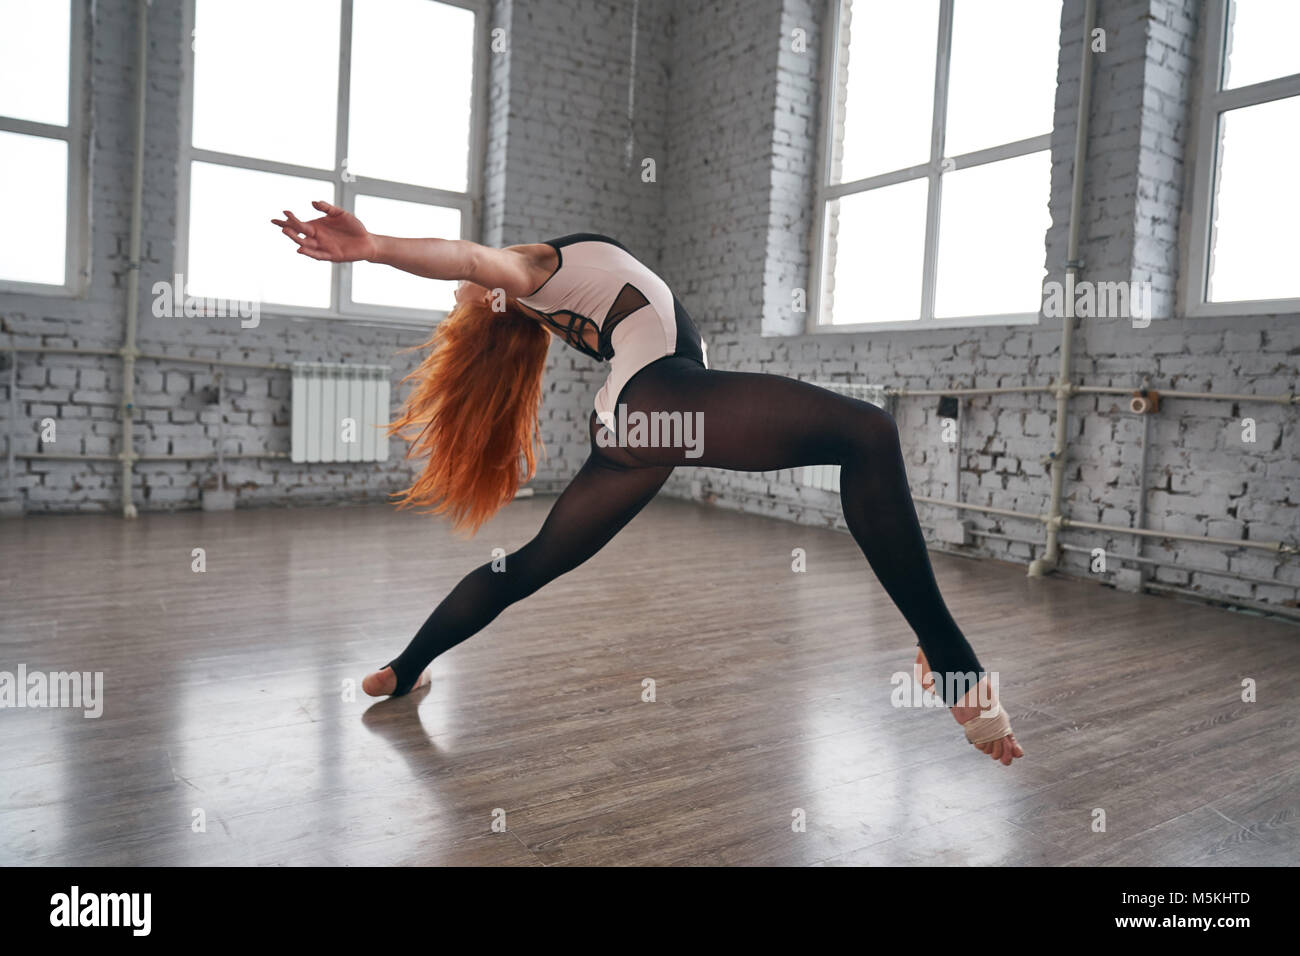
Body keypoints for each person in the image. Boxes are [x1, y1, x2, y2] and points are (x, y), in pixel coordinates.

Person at [271, 201, 1024, 765]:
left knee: (527, 564)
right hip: (658, 407)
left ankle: (402, 669)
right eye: (465, 292)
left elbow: (471, 261)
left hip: (630, 432)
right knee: (868, 434)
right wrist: (374, 249)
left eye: (461, 295)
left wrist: (389, 252)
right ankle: (952, 663)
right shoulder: (530, 272)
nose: (460, 293)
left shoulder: (538, 293)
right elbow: (467, 255)